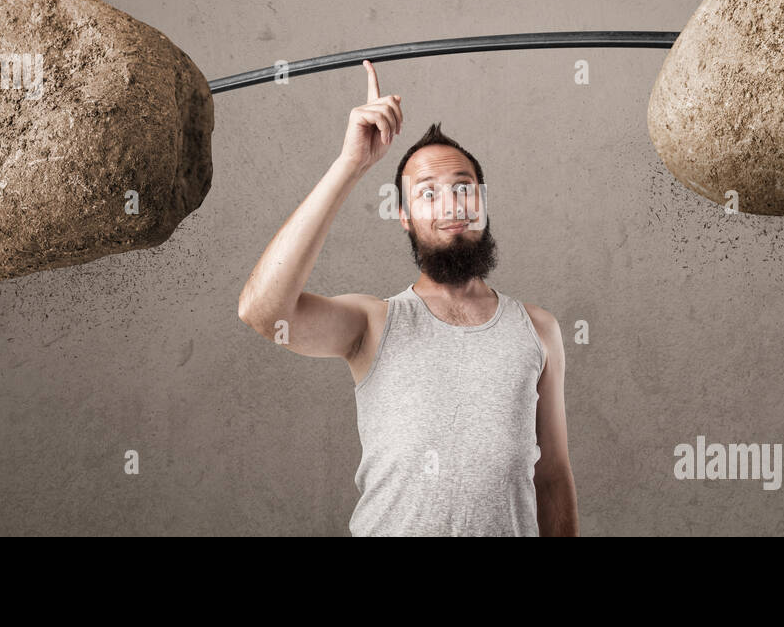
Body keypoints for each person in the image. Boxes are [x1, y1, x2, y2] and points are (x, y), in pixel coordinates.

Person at [237, 60, 577, 536]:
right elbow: (261, 311)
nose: (452, 205)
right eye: (428, 194)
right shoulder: (373, 325)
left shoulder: (539, 330)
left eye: (463, 188)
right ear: (402, 215)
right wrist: (350, 165)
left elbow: (554, 478)